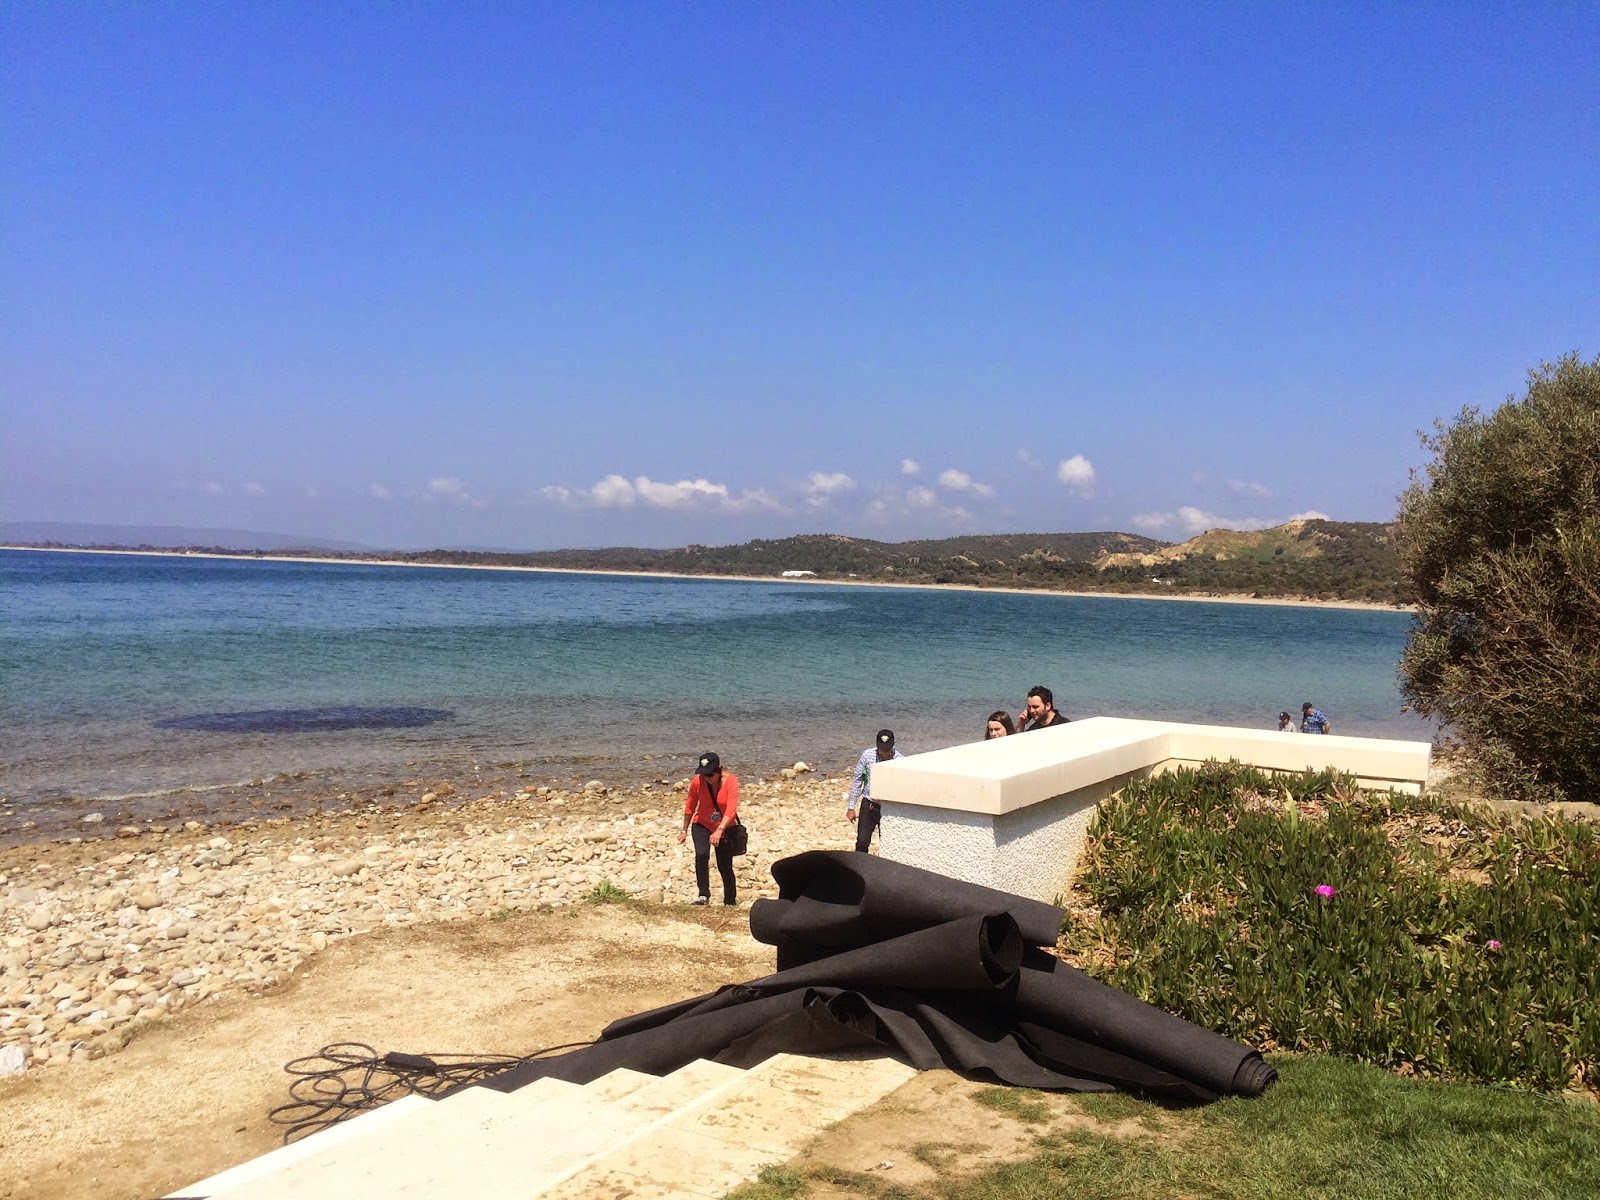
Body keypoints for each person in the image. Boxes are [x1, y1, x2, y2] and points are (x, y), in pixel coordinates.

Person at [676, 751, 740, 905]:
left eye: (710, 774)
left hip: (725, 827)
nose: (706, 777)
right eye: (703, 774)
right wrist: (683, 830)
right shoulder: (698, 781)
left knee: (724, 864)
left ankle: (730, 900)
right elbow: (690, 806)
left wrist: (720, 830)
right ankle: (703, 895)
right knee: (702, 855)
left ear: (719, 770)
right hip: (702, 824)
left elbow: (731, 810)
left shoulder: (731, 781)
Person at [847, 729, 902, 853]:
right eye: (882, 749)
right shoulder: (867, 755)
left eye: (887, 749)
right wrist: (851, 807)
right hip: (869, 805)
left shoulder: (900, 760)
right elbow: (858, 780)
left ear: (893, 744)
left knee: (889, 844)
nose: (884, 752)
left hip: (889, 807)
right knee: (862, 841)